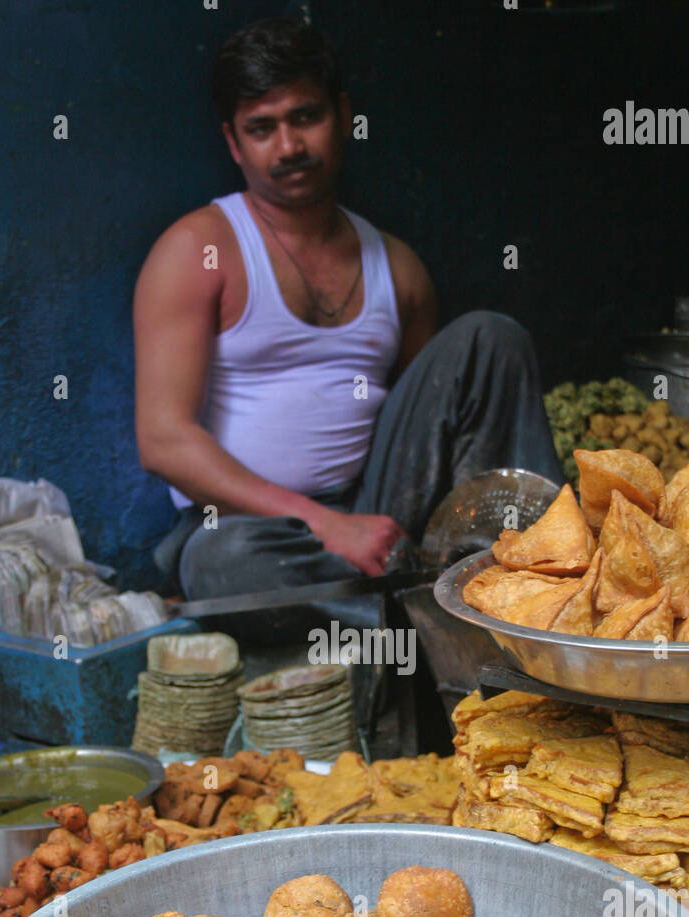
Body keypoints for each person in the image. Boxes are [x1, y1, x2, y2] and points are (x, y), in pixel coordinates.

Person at [135, 17, 562, 606]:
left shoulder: (398, 267)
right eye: (262, 129)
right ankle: (421, 611)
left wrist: (377, 526)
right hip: (251, 528)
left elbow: (441, 430)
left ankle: (531, 576)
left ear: (342, 115)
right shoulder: (199, 250)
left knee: (491, 338)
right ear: (233, 144)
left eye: (305, 117)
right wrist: (321, 523)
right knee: (224, 562)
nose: (288, 146)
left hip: (376, 513)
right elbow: (162, 439)